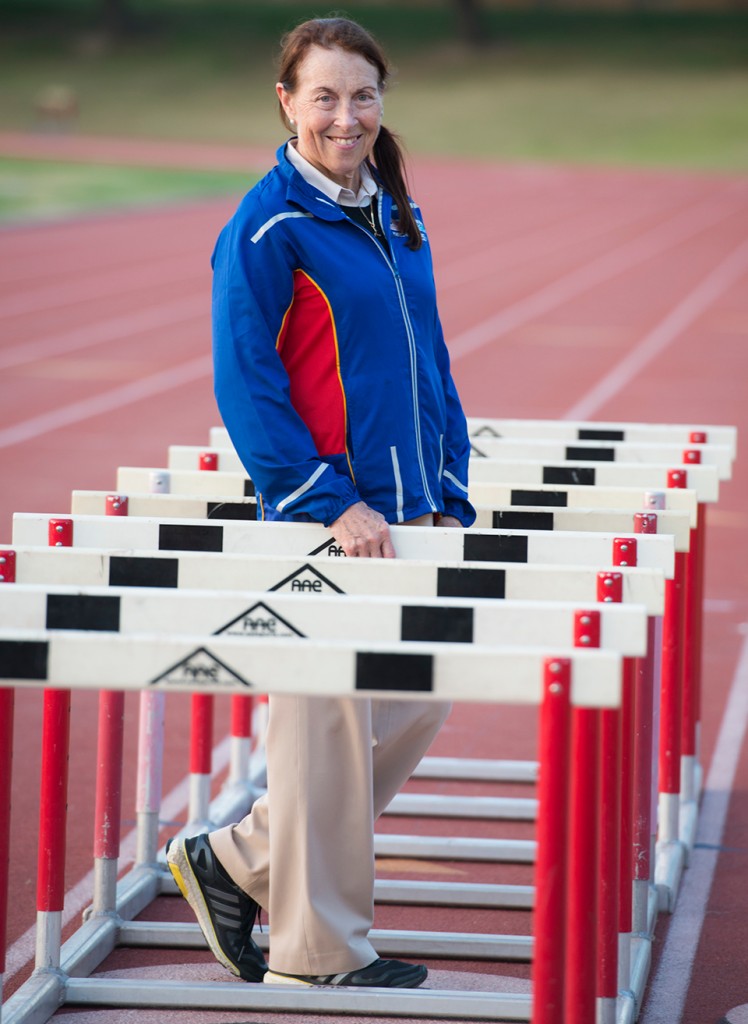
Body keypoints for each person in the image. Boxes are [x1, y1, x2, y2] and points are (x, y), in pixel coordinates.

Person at [166, 15, 476, 990]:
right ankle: (321, 952)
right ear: (288, 102)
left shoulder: (393, 210)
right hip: (329, 523)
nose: (347, 116)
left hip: (410, 510)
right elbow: (245, 381)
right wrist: (325, 499)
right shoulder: (266, 227)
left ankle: (238, 855)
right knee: (327, 725)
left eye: (364, 95)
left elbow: (428, 354)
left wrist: (449, 482)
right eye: (327, 96)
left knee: (420, 696)